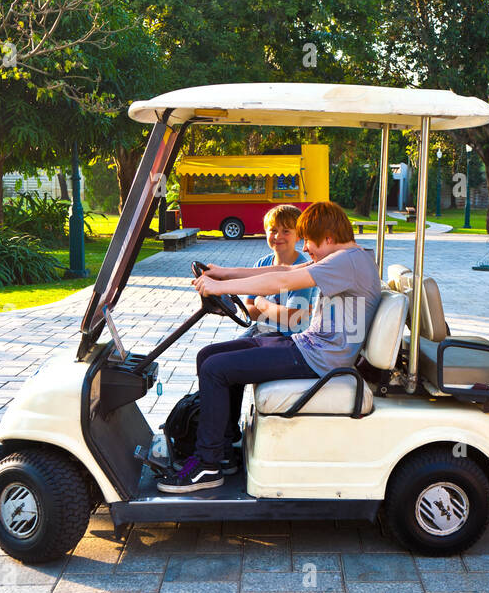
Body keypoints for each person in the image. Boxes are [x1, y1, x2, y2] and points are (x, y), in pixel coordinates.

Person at [157, 201, 383, 493]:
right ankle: (222, 448)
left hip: (320, 359)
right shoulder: (345, 256)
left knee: (216, 369)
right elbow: (282, 269)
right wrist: (223, 273)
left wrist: (220, 288)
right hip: (310, 346)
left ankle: (207, 465)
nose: (307, 248)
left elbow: (283, 280)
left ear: (327, 238)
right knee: (209, 355)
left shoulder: (347, 261)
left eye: (309, 242)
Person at [245, 204, 317, 334]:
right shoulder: (262, 264)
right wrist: (277, 313)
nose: (278, 236)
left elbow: (291, 319)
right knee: (213, 352)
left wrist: (260, 302)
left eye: (286, 231)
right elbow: (248, 311)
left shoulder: (302, 271)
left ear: (298, 235)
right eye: (273, 230)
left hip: (287, 336)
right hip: (261, 329)